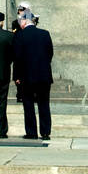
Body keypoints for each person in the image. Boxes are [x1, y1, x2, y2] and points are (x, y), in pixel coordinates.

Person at [12, 9, 53, 140]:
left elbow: (17, 58)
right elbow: (50, 53)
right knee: (44, 104)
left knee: (28, 105)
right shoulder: (45, 34)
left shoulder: (19, 36)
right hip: (43, 76)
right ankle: (45, 132)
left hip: (26, 76)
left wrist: (16, 76)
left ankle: (31, 132)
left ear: (24, 21)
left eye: (20, 21)